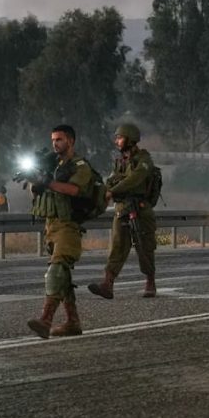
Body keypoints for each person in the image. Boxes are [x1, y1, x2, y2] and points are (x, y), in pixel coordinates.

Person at [25, 125, 94, 338]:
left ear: (71, 141)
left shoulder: (79, 166)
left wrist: (48, 182)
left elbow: (74, 190)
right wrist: (35, 183)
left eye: (60, 139)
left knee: (56, 269)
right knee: (62, 275)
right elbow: (37, 192)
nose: (55, 143)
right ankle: (73, 322)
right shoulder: (52, 165)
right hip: (51, 225)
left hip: (68, 225)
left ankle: (45, 320)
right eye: (53, 139)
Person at [88, 123, 158, 299]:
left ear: (130, 139)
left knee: (145, 246)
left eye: (120, 137)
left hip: (141, 207)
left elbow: (135, 179)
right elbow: (111, 180)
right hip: (122, 207)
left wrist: (114, 190)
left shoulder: (144, 159)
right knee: (117, 245)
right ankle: (108, 283)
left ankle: (150, 281)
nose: (117, 141)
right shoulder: (120, 162)